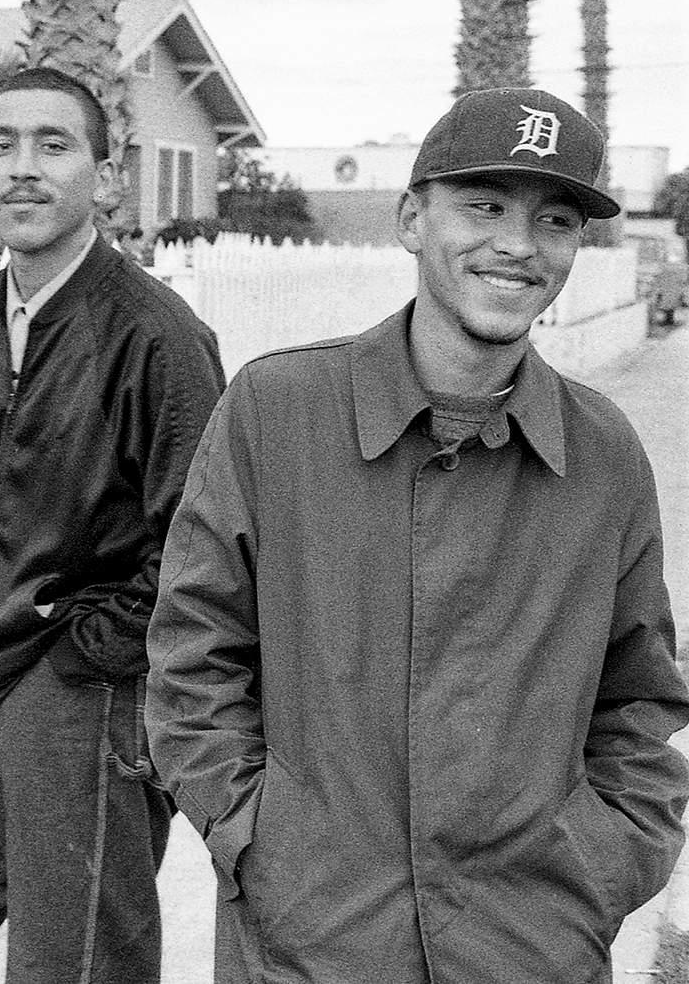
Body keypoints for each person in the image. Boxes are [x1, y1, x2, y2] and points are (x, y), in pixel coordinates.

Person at [147, 87, 689, 983]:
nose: (518, 244)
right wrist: (254, 840)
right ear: (410, 218)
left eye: (554, 219)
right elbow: (191, 659)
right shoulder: (275, 412)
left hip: (531, 951)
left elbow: (639, 699)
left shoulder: (604, 457)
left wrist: (603, 867)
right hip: (307, 945)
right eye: (484, 206)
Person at [0, 65, 226, 983]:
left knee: (77, 967)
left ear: (106, 176)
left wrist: (86, 654)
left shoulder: (157, 336)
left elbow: (203, 549)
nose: (23, 168)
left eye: (54, 145)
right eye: (2, 145)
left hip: (84, 696)